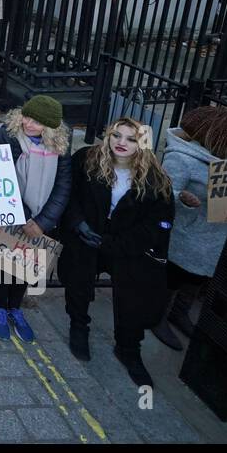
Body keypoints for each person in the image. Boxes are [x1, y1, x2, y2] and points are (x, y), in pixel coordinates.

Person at [60, 117, 174, 387]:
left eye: (131, 139)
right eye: (116, 135)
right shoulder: (86, 159)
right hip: (88, 236)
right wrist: (77, 223)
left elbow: (157, 223)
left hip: (126, 245)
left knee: (135, 291)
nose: (122, 143)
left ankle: (128, 347)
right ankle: (79, 326)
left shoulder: (156, 180)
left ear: (142, 144)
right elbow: (69, 195)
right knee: (78, 275)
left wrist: (115, 244)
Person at [152, 106, 227, 351]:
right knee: (174, 278)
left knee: (197, 279)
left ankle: (180, 313)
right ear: (218, 136)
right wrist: (181, 198)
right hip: (188, 236)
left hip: (219, 235)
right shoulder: (181, 158)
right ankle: (157, 318)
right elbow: (161, 194)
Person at [0, 96, 72, 343]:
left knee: (27, 265)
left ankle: (16, 307)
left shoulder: (61, 144)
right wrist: (23, 216)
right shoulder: (5, 136)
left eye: (37, 121)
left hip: (42, 217)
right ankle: (0, 307)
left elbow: (63, 185)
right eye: (27, 116)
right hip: (12, 212)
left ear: (51, 126)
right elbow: (1, 178)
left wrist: (43, 221)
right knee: (3, 264)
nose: (29, 123)